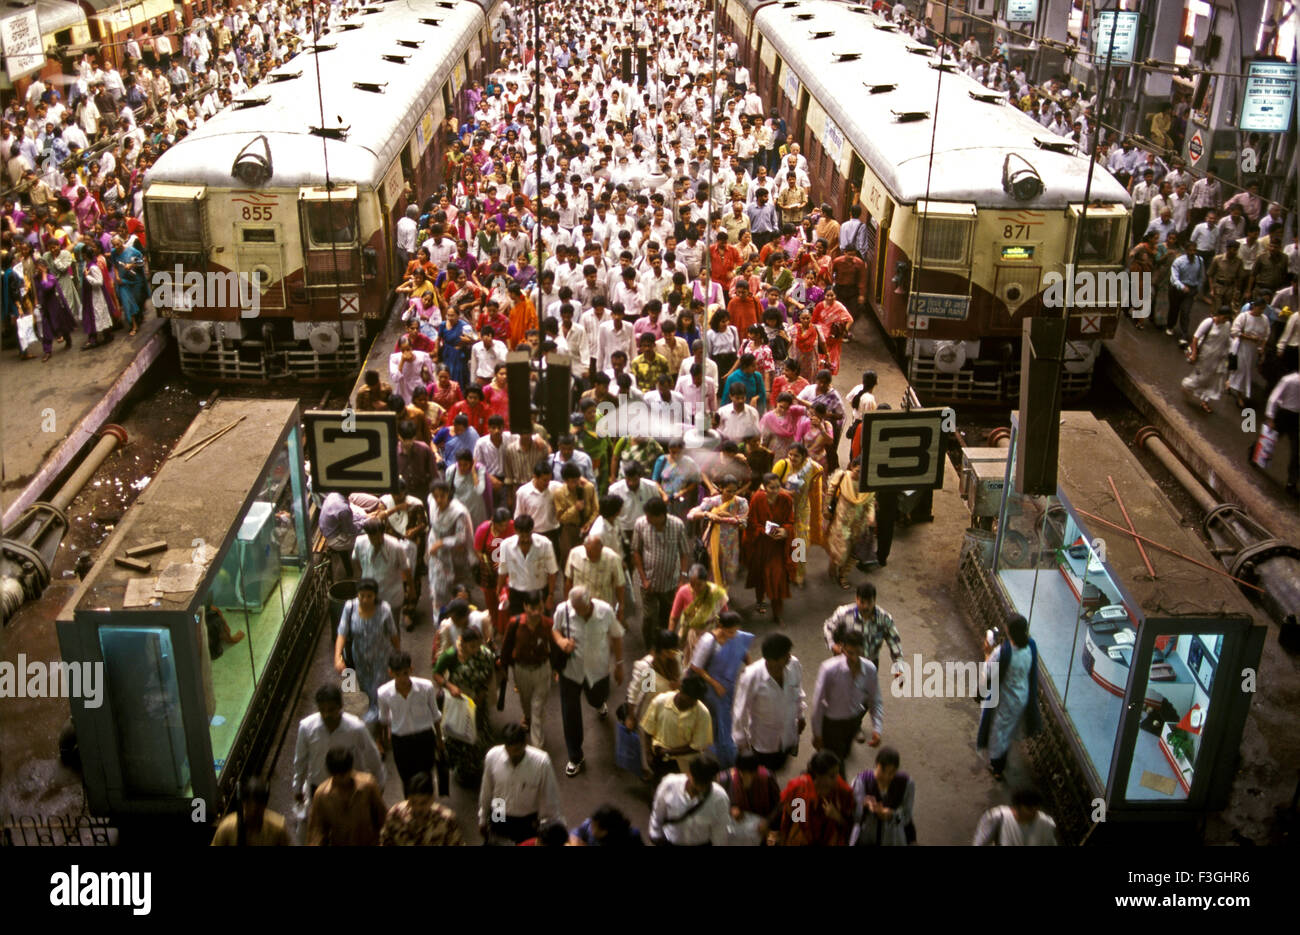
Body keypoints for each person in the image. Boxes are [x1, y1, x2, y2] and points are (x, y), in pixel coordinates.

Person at [553, 585, 625, 777]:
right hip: (571, 671)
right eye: (574, 609)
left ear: (590, 602)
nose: (577, 613)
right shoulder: (564, 610)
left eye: (581, 609)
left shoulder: (605, 611)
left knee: (597, 697)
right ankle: (575, 756)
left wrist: (619, 664)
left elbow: (617, 635)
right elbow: (555, 631)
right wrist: (561, 642)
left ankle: (599, 704)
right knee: (570, 713)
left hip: (597, 670)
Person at [291, 684, 385, 818]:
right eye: (322, 710)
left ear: (340, 706)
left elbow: (372, 756)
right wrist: (298, 787)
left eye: (331, 709)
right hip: (319, 786)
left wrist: (378, 786)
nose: (327, 714)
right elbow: (300, 760)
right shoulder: (306, 728)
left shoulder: (356, 728)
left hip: (352, 787)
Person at [977, 614, 1042, 781]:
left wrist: (987, 653)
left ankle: (998, 767)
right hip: (1023, 695)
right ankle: (1000, 761)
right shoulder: (1031, 646)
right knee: (1007, 730)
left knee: (999, 732)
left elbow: (988, 672)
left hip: (1005, 699)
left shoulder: (1002, 652)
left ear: (1009, 631)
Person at [432, 625, 497, 786]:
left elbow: (489, 674)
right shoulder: (452, 655)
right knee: (458, 736)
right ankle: (462, 770)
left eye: (478, 645)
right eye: (472, 646)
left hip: (476, 702)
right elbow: (437, 674)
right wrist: (450, 685)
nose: (475, 649)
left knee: (477, 735)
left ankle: (475, 767)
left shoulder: (484, 655)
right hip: (458, 701)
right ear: (464, 644)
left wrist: (482, 691)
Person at [479, 722, 564, 844]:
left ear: (525, 744)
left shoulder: (541, 762)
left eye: (517, 750)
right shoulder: (492, 757)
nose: (513, 755)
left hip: (527, 819)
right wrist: (482, 818)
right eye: (509, 751)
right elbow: (486, 789)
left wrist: (550, 828)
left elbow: (550, 798)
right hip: (499, 810)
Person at [732, 633, 806, 772]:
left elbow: (799, 692)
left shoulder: (794, 665)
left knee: (779, 766)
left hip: (788, 736)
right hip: (764, 743)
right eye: (785, 656)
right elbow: (739, 712)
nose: (789, 657)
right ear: (771, 660)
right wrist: (742, 745)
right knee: (765, 775)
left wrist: (801, 715)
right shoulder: (751, 676)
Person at [811, 630, 883, 770]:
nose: (855, 658)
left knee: (842, 756)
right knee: (834, 764)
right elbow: (818, 703)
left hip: (853, 723)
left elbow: (875, 699)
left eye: (858, 653)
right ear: (842, 649)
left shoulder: (869, 669)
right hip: (832, 724)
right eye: (850, 653)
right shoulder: (829, 669)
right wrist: (817, 734)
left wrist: (877, 727)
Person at [334, 578, 401, 727]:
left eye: (369, 596)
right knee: (365, 687)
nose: (364, 599)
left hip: (381, 657)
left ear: (375, 596)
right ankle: (381, 717)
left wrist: (398, 654)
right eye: (361, 595)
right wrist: (337, 656)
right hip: (360, 658)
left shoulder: (384, 609)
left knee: (378, 689)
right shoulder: (350, 607)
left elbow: (393, 634)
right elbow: (342, 633)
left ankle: (379, 728)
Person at [377, 651, 444, 796]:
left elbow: (435, 715)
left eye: (405, 673)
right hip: (401, 742)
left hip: (424, 738)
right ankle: (410, 807)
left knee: (426, 776)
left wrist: (439, 739)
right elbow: (383, 719)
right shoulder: (383, 693)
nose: (402, 678)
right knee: (406, 778)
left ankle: (428, 806)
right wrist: (382, 741)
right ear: (390, 673)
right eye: (397, 674)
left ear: (411, 670)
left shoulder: (426, 688)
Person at [632, 497, 692, 647]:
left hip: (669, 581)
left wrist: (682, 578)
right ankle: (650, 648)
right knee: (649, 617)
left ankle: (663, 646)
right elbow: (636, 551)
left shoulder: (677, 525)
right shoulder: (641, 524)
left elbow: (685, 552)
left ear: (661, 515)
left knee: (667, 616)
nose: (648, 519)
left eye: (651, 516)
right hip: (648, 582)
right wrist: (643, 578)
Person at [499, 589, 555, 746]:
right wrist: (504, 667)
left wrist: (556, 669)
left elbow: (554, 648)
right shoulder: (515, 623)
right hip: (521, 670)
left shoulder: (548, 625)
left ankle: (537, 746)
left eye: (539, 608)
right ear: (525, 607)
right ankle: (527, 716)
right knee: (526, 702)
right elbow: (506, 646)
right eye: (532, 608)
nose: (536, 612)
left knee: (537, 707)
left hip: (542, 670)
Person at [306, 747, 387, 846]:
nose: (342, 779)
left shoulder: (368, 785)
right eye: (338, 775)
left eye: (345, 774)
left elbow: (382, 816)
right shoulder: (322, 795)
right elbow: (317, 830)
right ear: (331, 773)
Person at [648, 752, 733, 846]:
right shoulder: (669, 784)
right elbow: (657, 813)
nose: (701, 787)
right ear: (688, 773)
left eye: (705, 783)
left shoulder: (720, 798)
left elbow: (720, 831)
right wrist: (655, 836)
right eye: (698, 782)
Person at [775, 750, 855, 846]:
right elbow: (790, 821)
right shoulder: (799, 789)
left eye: (837, 774)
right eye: (832, 776)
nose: (837, 779)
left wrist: (838, 817)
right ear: (818, 775)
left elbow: (851, 827)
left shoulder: (843, 792)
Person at [640, 674, 714, 776]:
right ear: (681, 691)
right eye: (690, 699)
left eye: (695, 701)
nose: (693, 704)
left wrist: (669, 752)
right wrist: (648, 754)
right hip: (659, 759)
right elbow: (647, 730)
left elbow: (697, 746)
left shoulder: (703, 714)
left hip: (684, 766)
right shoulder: (660, 702)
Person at [823, 581, 903, 674]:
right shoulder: (843, 614)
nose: (866, 607)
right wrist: (833, 645)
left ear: (875, 600)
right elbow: (828, 628)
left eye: (869, 602)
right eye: (862, 602)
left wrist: (898, 668)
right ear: (856, 599)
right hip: (846, 662)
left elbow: (894, 642)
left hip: (870, 664)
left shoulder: (884, 619)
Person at [772, 442, 823, 585]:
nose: (792, 458)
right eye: (790, 454)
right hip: (782, 510)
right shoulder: (782, 465)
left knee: (800, 542)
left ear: (804, 457)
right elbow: (769, 485)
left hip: (801, 510)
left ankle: (797, 572)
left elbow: (820, 470)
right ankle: (783, 570)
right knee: (780, 541)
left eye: (796, 456)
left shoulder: (809, 468)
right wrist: (784, 492)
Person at [687, 473, 748, 590]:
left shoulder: (741, 502)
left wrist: (727, 516)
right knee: (711, 568)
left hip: (730, 542)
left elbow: (743, 523)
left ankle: (721, 595)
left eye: (734, 491)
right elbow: (690, 515)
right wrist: (707, 514)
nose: (732, 495)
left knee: (727, 572)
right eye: (728, 491)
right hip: (712, 540)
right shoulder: (713, 501)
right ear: (720, 488)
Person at [353, 519, 414, 633]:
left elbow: (406, 568)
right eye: (371, 537)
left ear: (382, 534)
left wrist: (411, 589)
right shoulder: (360, 543)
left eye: (377, 537)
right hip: (369, 596)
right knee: (372, 627)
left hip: (391, 596)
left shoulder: (396, 546)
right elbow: (355, 560)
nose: (375, 541)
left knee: (392, 629)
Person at [850, 747, 916, 846]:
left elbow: (906, 816)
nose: (886, 776)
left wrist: (891, 815)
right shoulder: (861, 781)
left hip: (893, 838)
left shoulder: (906, 784)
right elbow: (854, 816)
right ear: (876, 765)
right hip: (866, 837)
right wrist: (864, 805)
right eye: (883, 770)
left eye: (892, 773)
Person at [427, 480, 475, 612]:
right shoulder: (432, 503)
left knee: (458, 588)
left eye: (442, 496)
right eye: (436, 496)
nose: (438, 499)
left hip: (454, 554)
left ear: (448, 494)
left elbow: (460, 538)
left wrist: (442, 543)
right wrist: (434, 544)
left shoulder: (458, 512)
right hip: (436, 552)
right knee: (438, 587)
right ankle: (441, 619)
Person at [825, 460, 875, 586]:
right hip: (842, 519)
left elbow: (870, 502)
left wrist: (871, 515)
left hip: (859, 522)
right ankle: (834, 563)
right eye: (858, 471)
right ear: (852, 467)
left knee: (854, 552)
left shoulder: (868, 483)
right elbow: (830, 492)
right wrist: (826, 507)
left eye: (863, 472)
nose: (859, 475)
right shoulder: (842, 476)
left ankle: (843, 575)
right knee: (841, 550)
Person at [379, 772, 465, 846]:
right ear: (408, 799)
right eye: (413, 802)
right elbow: (385, 841)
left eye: (423, 803)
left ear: (432, 799)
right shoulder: (395, 814)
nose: (417, 808)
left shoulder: (446, 820)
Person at [498, 514, 559, 615]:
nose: (525, 539)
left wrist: (550, 595)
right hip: (516, 593)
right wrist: (499, 591)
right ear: (515, 531)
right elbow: (502, 571)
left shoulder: (545, 544)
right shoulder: (505, 545)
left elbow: (552, 572)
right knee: (518, 623)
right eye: (522, 536)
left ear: (532, 530)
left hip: (539, 592)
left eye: (528, 535)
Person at [718, 752, 782, 846]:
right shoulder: (726, 778)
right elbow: (716, 802)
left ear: (756, 770)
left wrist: (768, 822)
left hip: (762, 829)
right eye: (743, 773)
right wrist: (731, 808)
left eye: (751, 773)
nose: (747, 776)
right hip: (737, 832)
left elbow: (779, 805)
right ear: (738, 769)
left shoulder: (767, 778)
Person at [669, 563, 730, 660]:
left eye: (699, 585)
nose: (695, 588)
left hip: (710, 635)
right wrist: (670, 638)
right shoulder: (683, 592)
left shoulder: (715, 593)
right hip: (689, 636)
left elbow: (725, 616)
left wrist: (723, 634)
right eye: (692, 584)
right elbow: (674, 618)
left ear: (706, 581)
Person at [1181, 305, 1234, 413]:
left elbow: (1227, 339)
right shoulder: (1208, 323)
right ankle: (1187, 385)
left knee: (1214, 381)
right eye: (1224, 317)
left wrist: (1230, 354)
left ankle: (1205, 401)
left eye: (1227, 318)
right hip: (1206, 356)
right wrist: (1194, 354)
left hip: (1219, 358)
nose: (1225, 320)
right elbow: (1195, 338)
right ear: (1219, 315)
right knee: (1201, 377)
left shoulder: (1227, 325)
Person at [211, 777, 291, 846]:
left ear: (264, 806)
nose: (253, 811)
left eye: (257, 809)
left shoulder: (278, 828)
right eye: (249, 806)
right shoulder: (227, 827)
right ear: (244, 804)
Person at [1264, 355, 1299, 497]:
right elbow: (1274, 398)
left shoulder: (1289, 380)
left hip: (1296, 418)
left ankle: (1292, 481)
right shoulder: (1288, 380)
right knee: (1269, 439)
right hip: (1284, 414)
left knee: (1296, 450)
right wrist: (1271, 417)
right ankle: (1256, 452)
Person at [973, 787, 1058, 845]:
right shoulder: (998, 817)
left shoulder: (1045, 823)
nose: (1034, 813)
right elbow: (980, 841)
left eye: (1036, 808)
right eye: (1029, 809)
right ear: (1017, 807)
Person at [1229, 299, 1271, 407]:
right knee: (1241, 370)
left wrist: (1262, 346)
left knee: (1248, 371)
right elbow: (1235, 331)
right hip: (1242, 346)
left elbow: (1266, 335)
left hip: (1254, 350)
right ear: (1255, 307)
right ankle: (1239, 396)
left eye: (1263, 309)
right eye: (1260, 308)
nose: (1261, 311)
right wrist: (1250, 338)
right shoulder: (1244, 317)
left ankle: (1232, 384)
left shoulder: (1264, 319)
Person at [569, 804, 644, 845]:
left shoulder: (631, 837)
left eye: (594, 827)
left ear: (605, 831)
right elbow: (578, 831)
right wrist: (575, 836)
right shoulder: (591, 824)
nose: (590, 827)